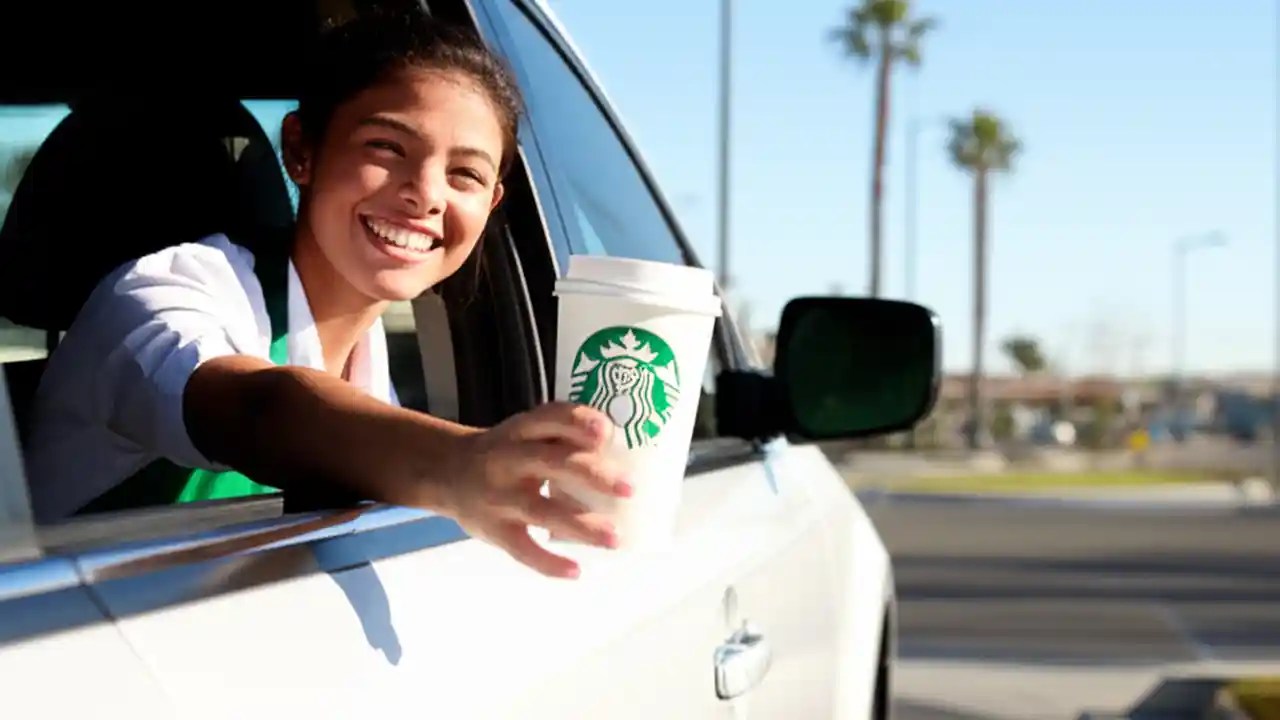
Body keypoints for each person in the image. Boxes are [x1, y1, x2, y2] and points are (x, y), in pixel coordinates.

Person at [22, 11, 628, 579]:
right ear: (302, 152)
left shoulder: (374, 381)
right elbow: (258, 409)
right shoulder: (165, 294)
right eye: (387, 148)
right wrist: (457, 467)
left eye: (464, 173)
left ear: (491, 205)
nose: (426, 194)